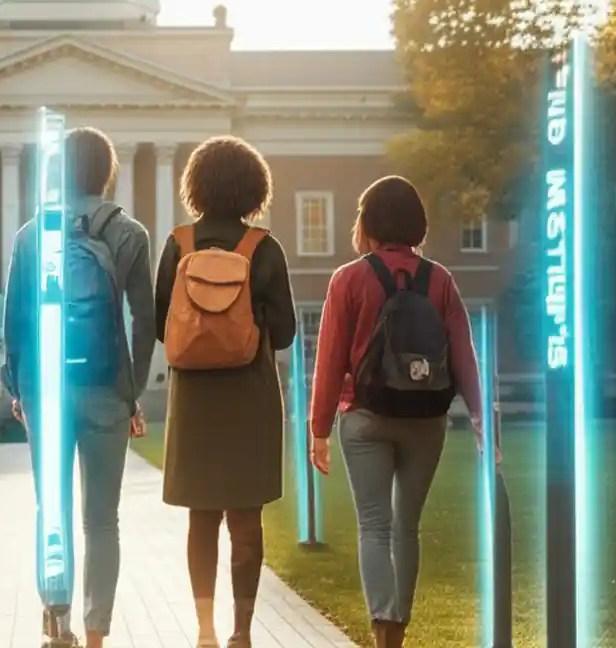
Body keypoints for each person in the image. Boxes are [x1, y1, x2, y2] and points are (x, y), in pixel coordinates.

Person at [308, 175, 492, 648]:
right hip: (426, 420)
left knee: (374, 526)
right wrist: (478, 417)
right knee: (406, 526)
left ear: (366, 223)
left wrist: (319, 429)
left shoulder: (349, 279)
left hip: (365, 417)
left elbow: (329, 360)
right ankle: (400, 633)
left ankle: (381, 627)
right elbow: (463, 355)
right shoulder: (441, 280)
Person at [1, 126, 155, 648]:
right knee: (102, 519)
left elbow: (16, 316)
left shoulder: (30, 233)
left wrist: (16, 386)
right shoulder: (130, 232)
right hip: (107, 387)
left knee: (52, 509)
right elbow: (143, 319)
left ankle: (56, 623)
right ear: (108, 171)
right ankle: (96, 634)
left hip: (45, 387)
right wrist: (131, 391)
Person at [154, 136, 296, 648]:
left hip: (194, 398)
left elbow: (158, 325)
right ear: (254, 189)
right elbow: (284, 334)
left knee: (202, 517)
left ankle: (204, 627)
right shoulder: (264, 248)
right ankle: (242, 629)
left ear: (196, 186)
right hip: (250, 397)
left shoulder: (178, 244)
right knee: (245, 518)